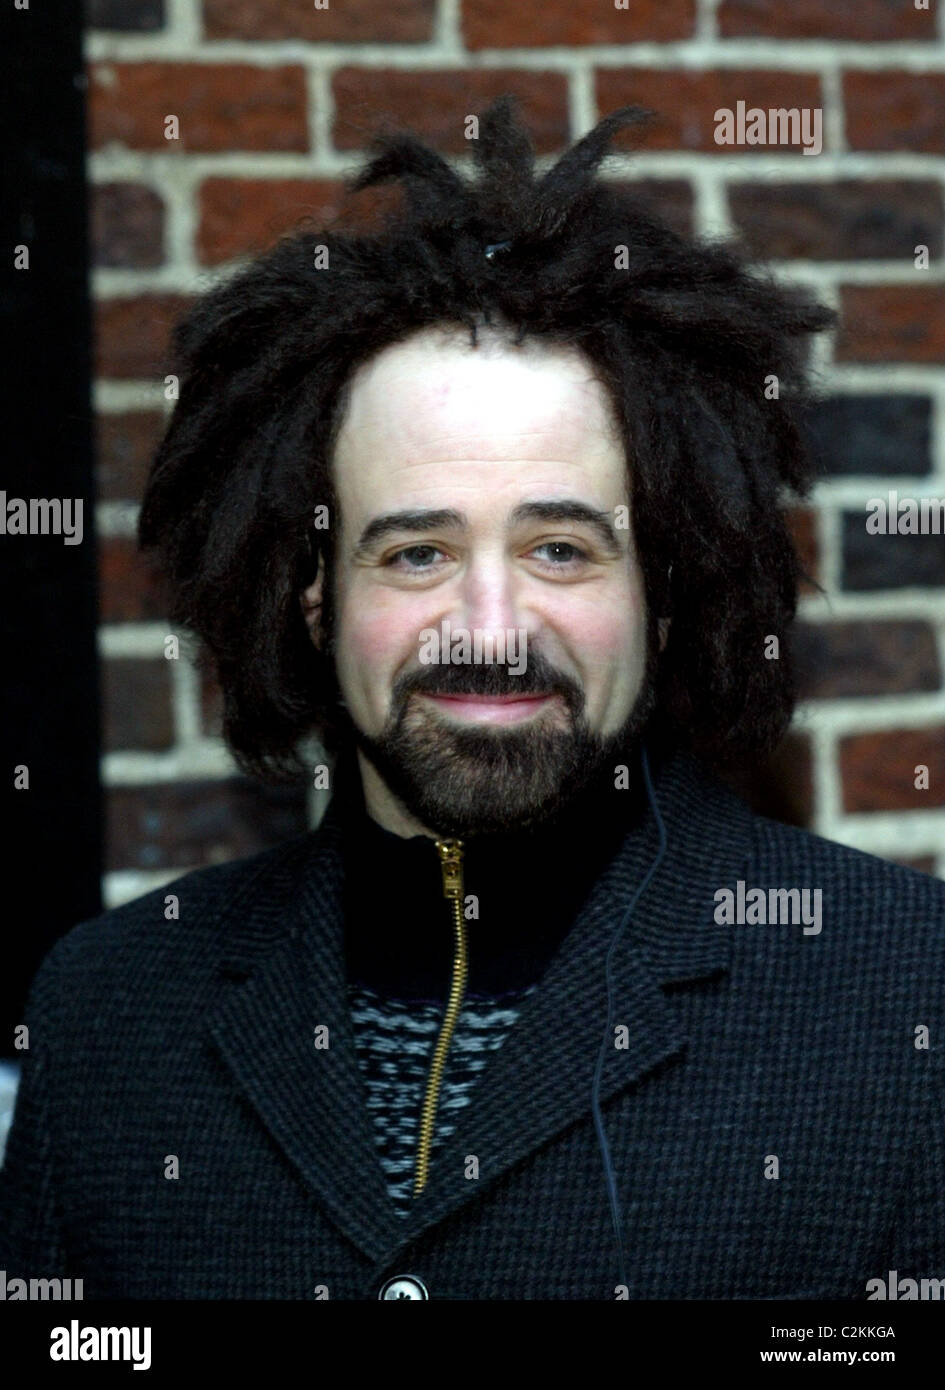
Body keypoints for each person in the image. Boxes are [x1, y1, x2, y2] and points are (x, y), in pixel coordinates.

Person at [2, 96, 943, 1302]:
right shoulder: (104, 1017)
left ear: (661, 592)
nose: (491, 631)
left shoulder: (906, 1000)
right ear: (308, 596)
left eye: (560, 549)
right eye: (415, 554)